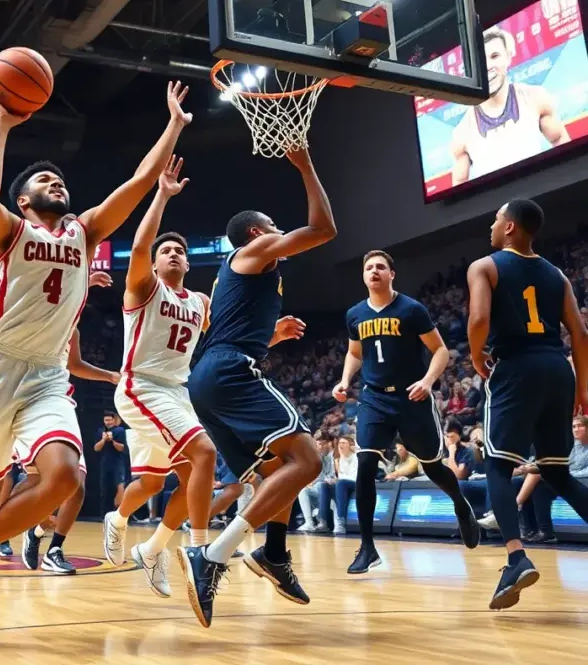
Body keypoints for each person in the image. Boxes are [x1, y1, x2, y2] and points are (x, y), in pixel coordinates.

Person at [0, 78, 192, 626]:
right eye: (46, 179)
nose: (58, 182)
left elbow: (139, 183)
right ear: (25, 200)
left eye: (61, 178)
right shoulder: (11, 231)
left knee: (67, 476)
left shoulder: (86, 231)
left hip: (46, 373)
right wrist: (1, 121)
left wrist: (173, 126)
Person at [179, 146, 333, 628]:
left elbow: (226, 329)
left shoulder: (240, 272)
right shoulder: (255, 250)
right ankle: (216, 554)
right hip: (228, 370)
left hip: (208, 378)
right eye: (272, 224)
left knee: (279, 473)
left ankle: (274, 552)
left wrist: (271, 335)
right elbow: (324, 230)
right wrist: (307, 165)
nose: (278, 230)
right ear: (255, 231)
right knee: (309, 460)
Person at [103, 155, 219, 598]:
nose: (173, 254)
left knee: (156, 482)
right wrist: (162, 195)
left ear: (188, 265)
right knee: (203, 454)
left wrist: (274, 337)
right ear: (154, 266)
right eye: (165, 251)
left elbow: (225, 342)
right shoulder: (144, 288)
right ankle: (200, 551)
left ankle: (140, 539)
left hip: (174, 394)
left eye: (180, 252)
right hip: (139, 386)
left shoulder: (201, 301)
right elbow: (137, 248)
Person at [465, 198, 588, 610]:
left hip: (516, 367)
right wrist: (583, 388)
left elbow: (480, 319)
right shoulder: (557, 275)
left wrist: (475, 352)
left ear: (511, 227)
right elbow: (580, 333)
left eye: (496, 219)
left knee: (498, 467)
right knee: (557, 472)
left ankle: (516, 557)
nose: (492, 226)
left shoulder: (485, 265)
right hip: (558, 369)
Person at [332, 249, 478, 572]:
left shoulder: (411, 309)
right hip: (373, 399)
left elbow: (440, 350)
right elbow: (355, 353)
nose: (374, 271)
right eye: (368, 267)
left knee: (433, 467)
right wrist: (344, 380)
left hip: (412, 398)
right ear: (363, 275)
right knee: (366, 462)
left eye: (380, 267)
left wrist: (427, 381)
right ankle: (367, 547)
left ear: (391, 274)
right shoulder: (355, 314)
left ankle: (460, 504)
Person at [16, 321, 120, 574]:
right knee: (34, 481)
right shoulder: (31, 318)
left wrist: (109, 376)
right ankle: (27, 527)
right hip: (29, 403)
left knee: (77, 486)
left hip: (60, 404)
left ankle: (54, 549)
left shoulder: (72, 328)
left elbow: (74, 366)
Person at [451, 28, 570, 185]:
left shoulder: (535, 98)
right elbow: (459, 189)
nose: (488, 66)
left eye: (494, 56)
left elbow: (561, 142)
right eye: (480, 61)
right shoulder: (462, 132)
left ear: (508, 57)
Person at [93, 411, 127, 513]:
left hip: (117, 463)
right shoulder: (100, 431)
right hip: (105, 463)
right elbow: (96, 448)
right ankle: (104, 514)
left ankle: (120, 512)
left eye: (109, 420)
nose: (107, 422)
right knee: (105, 489)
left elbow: (122, 448)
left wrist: (112, 440)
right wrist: (103, 440)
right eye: (105, 420)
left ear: (113, 420)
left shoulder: (120, 430)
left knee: (119, 486)